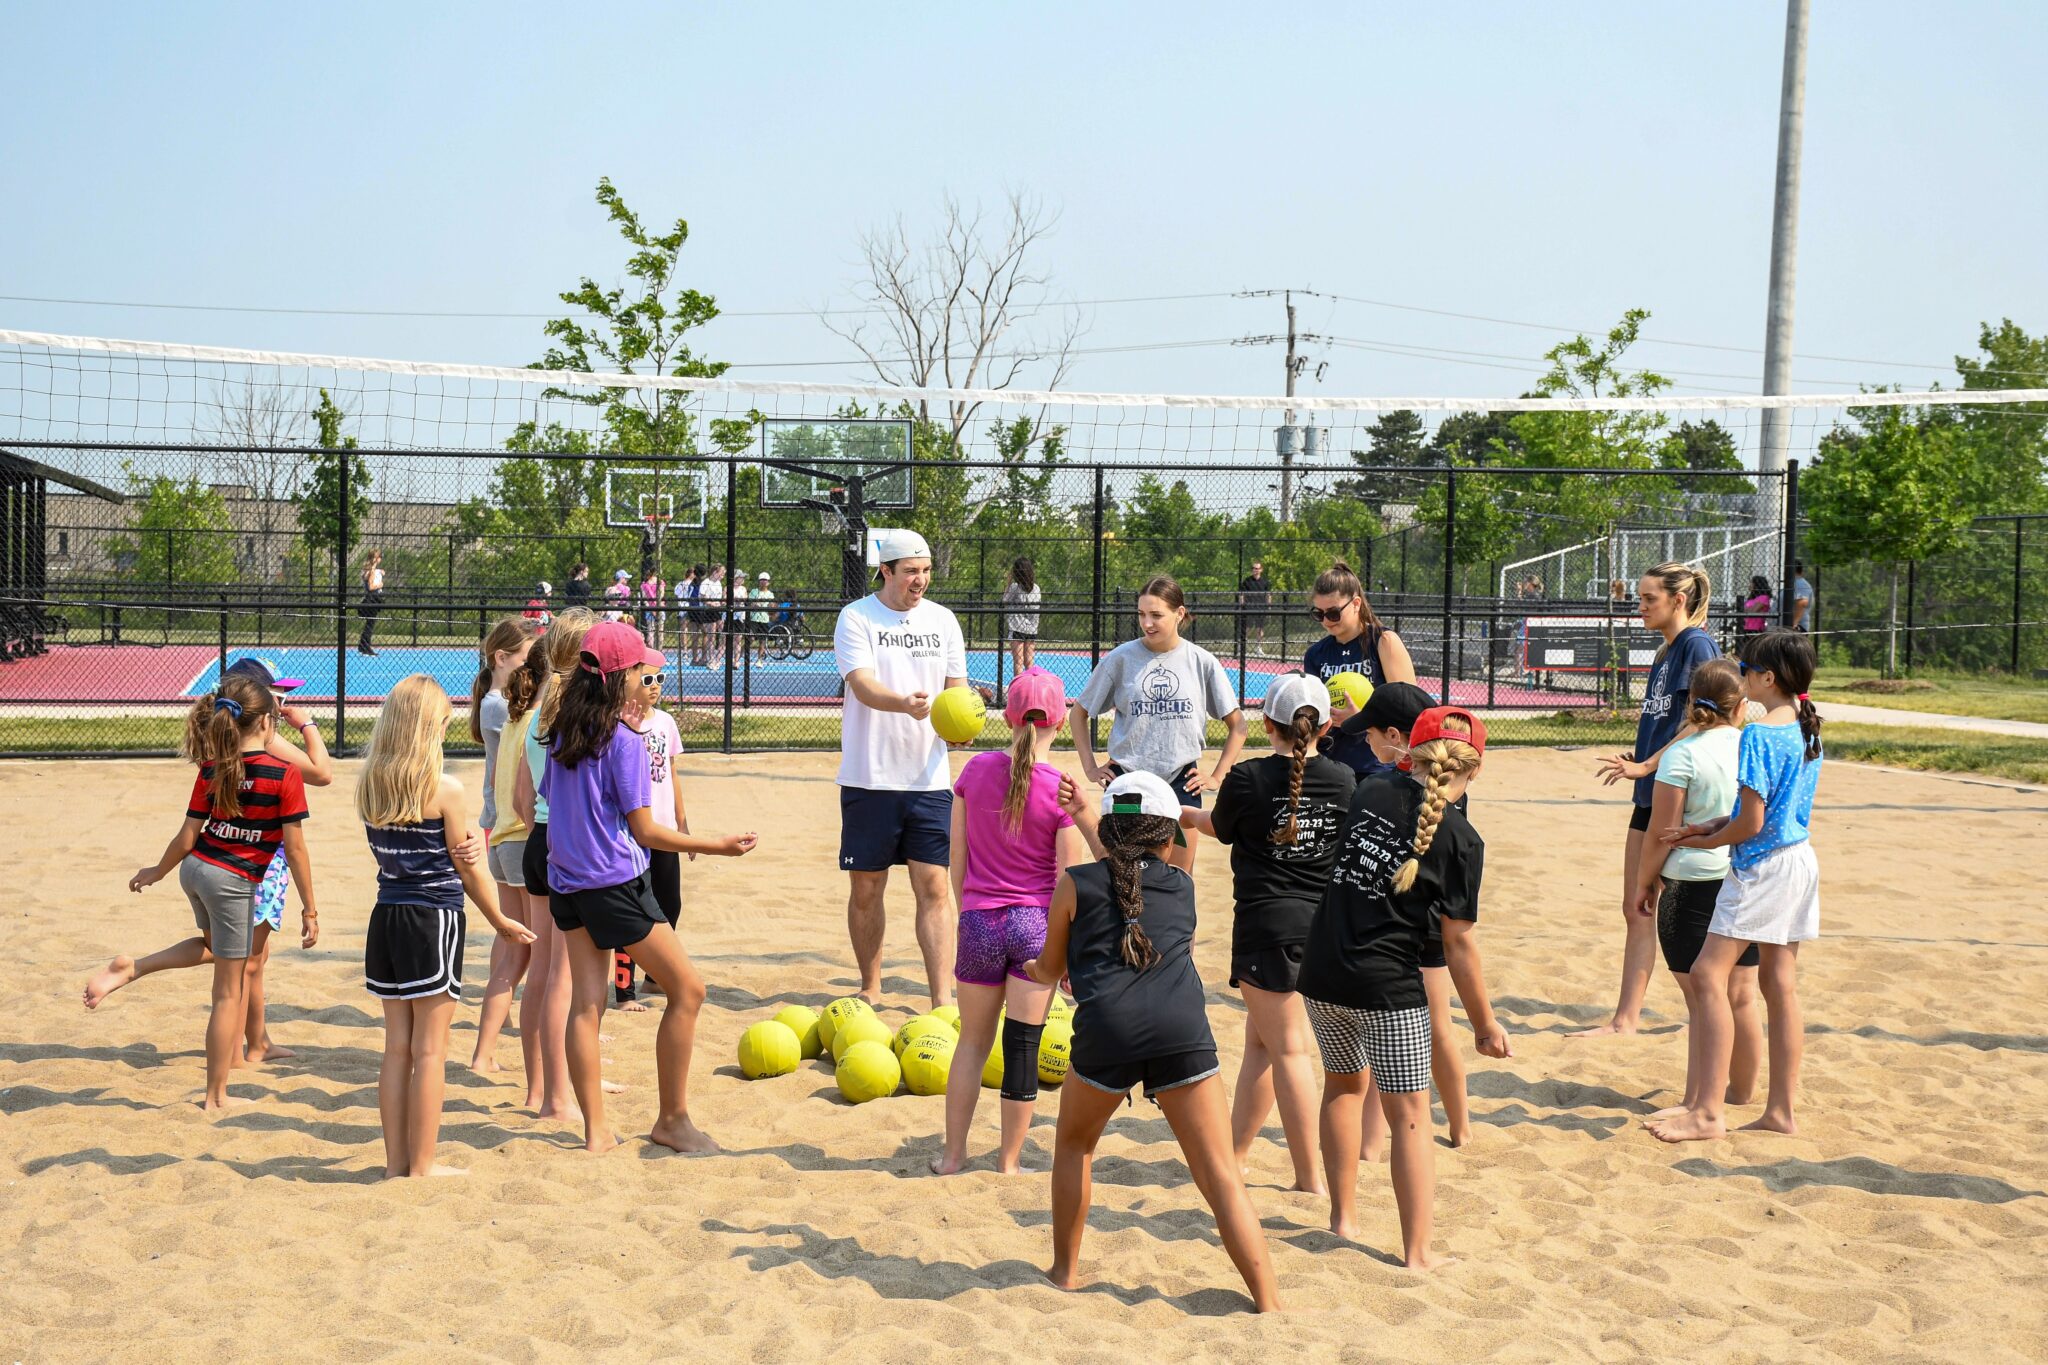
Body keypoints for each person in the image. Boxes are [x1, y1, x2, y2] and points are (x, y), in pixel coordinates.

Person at [1027, 771, 1280, 1313]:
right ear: (1169, 838)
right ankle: (1269, 1300)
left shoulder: (1074, 883)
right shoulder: (1183, 885)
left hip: (1108, 1031)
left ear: (1109, 832)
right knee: (1219, 1174)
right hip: (1179, 1029)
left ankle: (1065, 1272)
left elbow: (1049, 969)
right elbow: (1135, 891)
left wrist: (1043, 965)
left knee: (1075, 1147)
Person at [1298, 707, 1510, 1267]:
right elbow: (1458, 947)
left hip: (1322, 970)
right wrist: (1485, 1024)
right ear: (1476, 768)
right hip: (1388, 985)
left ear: (1407, 752)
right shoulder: (1463, 838)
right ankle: (1417, 1253)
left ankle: (1342, 1218)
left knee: (1342, 1089)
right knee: (1411, 1117)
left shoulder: (1369, 790)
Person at [541, 620, 758, 1154]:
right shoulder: (625, 739)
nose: (648, 677)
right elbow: (645, 830)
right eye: (642, 670)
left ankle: (596, 1132)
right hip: (612, 881)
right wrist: (713, 844)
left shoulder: (563, 730)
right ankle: (673, 1120)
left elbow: (551, 800)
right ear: (624, 677)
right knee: (688, 990)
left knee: (586, 1006)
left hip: (565, 880)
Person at [81, 656, 338, 1068]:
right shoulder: (264, 741)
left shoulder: (220, 743)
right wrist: (306, 724)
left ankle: (257, 1040)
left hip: (205, 862)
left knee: (243, 958)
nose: (286, 700)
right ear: (262, 710)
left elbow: (188, 833)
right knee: (236, 962)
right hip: (254, 866)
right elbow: (322, 773)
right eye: (279, 695)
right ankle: (144, 974)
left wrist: (159, 870)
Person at [1180, 673, 1354, 1194]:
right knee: (1262, 1043)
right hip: (1321, 930)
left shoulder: (1248, 777)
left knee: (1291, 1053)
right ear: (1326, 726)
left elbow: (1222, 828)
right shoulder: (1345, 779)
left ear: (1266, 723)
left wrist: (1188, 815)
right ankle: (1234, 1154)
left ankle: (1309, 1179)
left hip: (1268, 928)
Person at [1649, 630, 1823, 1143]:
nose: (1743, 678)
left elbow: (1750, 825)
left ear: (1768, 678)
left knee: (1707, 975)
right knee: (1779, 985)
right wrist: (1710, 826)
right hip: (1798, 859)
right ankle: (1780, 1111)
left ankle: (1707, 1112)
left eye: (1748, 670)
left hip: (1763, 867)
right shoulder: (1806, 726)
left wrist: (1703, 843)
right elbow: (1770, 812)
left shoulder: (1761, 733)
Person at [358, 675, 536, 1178]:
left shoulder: (372, 782)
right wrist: (500, 919)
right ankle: (424, 1166)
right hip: (432, 919)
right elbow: (469, 869)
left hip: (386, 917)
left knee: (396, 1050)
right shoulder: (446, 790)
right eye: (441, 725)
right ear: (426, 728)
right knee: (431, 1051)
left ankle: (396, 1164)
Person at [119, 673, 315, 1110]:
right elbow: (296, 849)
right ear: (266, 723)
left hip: (196, 870)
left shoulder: (213, 767)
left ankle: (136, 968)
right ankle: (215, 1096)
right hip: (233, 881)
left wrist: (159, 870)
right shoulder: (282, 774)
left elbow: (187, 835)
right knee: (227, 993)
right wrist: (311, 908)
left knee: (217, 955)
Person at [929, 667, 1090, 1177]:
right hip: (1034, 926)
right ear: (1060, 724)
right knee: (1022, 1046)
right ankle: (1009, 1162)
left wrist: (968, 909)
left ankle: (953, 1156)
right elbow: (1070, 882)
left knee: (971, 1044)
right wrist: (1065, 953)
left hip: (979, 920)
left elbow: (957, 860)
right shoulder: (1063, 790)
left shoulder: (974, 773)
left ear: (1006, 718)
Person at [1335, 680, 1476, 1152]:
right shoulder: (1431, 782)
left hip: (1420, 926)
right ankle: (1378, 1142)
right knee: (1407, 1038)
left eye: (1370, 733)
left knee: (1434, 1030)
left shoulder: (1404, 790)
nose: (1364, 741)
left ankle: (1459, 1127)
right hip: (1413, 922)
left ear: (1399, 737)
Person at [833, 529, 968, 1007]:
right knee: (867, 887)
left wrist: (961, 724)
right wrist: (903, 704)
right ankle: (871, 987)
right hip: (869, 776)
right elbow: (864, 685)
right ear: (885, 571)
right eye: (911, 571)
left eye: (926, 570)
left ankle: (942, 998)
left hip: (928, 779)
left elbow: (956, 693)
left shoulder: (944, 620)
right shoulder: (856, 618)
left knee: (934, 886)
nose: (921, 580)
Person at [1584, 562, 1718, 1039]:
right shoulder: (1666, 652)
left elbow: (1702, 720)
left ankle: (1705, 1014)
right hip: (1652, 790)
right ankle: (1627, 1019)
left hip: (1676, 796)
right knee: (1636, 905)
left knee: (1674, 912)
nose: (1639, 606)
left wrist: (1648, 764)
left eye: (1648, 599)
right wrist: (1641, 759)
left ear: (1677, 600)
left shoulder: (1696, 645)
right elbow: (1671, 722)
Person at [1628, 658, 1762, 1125]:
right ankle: (1740, 1090)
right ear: (1741, 706)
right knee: (1741, 993)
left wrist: (1645, 883)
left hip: (1692, 881)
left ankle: (1697, 1101)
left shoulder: (1681, 756)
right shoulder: (1752, 744)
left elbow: (1662, 833)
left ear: (1689, 702)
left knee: (1702, 999)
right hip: (1741, 876)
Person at [1069, 574, 1247, 875]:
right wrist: (1090, 767)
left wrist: (1216, 776)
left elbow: (1238, 725)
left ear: (1179, 614)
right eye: (1141, 614)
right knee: (1123, 877)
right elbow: (1078, 713)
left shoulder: (1201, 661)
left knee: (1177, 880)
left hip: (1181, 782)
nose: (1147, 623)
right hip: (1128, 782)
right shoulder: (1121, 659)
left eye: (1156, 615)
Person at [512, 607, 599, 1121]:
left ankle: (539, 1090)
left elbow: (523, 802)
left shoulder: (539, 717)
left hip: (539, 842)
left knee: (543, 973)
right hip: (568, 845)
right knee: (563, 980)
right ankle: (556, 1098)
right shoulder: (581, 719)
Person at [467, 616, 543, 1074]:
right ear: (503, 659)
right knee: (532, 953)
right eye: (528, 657)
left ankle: (488, 1046)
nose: (536, 666)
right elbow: (513, 776)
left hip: (501, 828)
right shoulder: (504, 708)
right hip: (512, 829)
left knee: (512, 946)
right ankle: (491, 1050)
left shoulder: (500, 705)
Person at [614, 656, 690, 1012]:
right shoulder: (619, 724)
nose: (655, 685)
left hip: (663, 830)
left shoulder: (666, 723)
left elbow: (672, 774)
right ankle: (625, 992)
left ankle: (654, 978)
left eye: (659, 678)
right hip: (632, 834)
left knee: (670, 903)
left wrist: (682, 820)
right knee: (631, 911)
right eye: (647, 679)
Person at [1303, 561, 1419, 779]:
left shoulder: (1383, 641)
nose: (1327, 621)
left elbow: (1411, 712)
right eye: (1319, 614)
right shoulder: (1315, 654)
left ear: (1356, 603)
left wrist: (1363, 719)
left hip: (1381, 766)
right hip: (1333, 766)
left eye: (1334, 613)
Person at [1003, 557, 1041, 676]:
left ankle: (1019, 690)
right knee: (1029, 662)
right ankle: (1030, 688)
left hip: (1017, 628)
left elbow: (1004, 601)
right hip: (1031, 628)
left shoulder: (1015, 587)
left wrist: (1008, 584)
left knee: (1018, 663)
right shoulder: (1036, 588)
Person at [1237, 559, 1273, 657]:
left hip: (1261, 609)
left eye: (1257, 568)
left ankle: (1258, 648)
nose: (1255, 570)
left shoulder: (1265, 582)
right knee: (1247, 628)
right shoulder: (1247, 581)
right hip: (1248, 608)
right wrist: (1242, 606)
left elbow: (1268, 595)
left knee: (1259, 629)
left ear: (1261, 569)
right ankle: (1242, 647)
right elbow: (1241, 595)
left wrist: (1269, 607)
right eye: (1253, 568)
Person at [358, 548, 385, 656]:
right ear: (375, 559)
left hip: (373, 599)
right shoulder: (371, 571)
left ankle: (363, 645)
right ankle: (365, 646)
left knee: (369, 623)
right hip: (372, 598)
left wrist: (380, 571)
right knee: (370, 624)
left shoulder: (371, 570)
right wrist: (380, 585)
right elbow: (371, 586)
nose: (380, 559)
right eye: (379, 557)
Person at [679, 564, 707, 666]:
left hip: (693, 610)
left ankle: (695, 658)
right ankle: (703, 658)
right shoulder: (704, 583)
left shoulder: (691, 584)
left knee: (695, 635)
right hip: (701, 611)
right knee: (705, 634)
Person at [699, 564, 727, 669]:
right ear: (715, 572)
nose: (722, 576)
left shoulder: (718, 583)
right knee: (711, 636)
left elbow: (719, 599)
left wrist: (720, 603)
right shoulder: (706, 583)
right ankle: (711, 659)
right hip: (708, 611)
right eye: (721, 574)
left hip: (718, 611)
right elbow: (702, 598)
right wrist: (712, 603)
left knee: (723, 634)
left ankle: (717, 659)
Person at [1741, 575, 1775, 648]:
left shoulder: (1764, 597)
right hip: (1746, 627)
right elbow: (1745, 610)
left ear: (1757, 585)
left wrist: (1746, 610)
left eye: (1751, 583)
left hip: (1756, 628)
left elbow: (1752, 611)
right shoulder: (1751, 598)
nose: (1749, 585)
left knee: (1754, 647)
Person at [750, 572, 774, 661]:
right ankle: (739, 656)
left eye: (765, 580)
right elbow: (752, 604)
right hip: (754, 619)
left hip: (764, 619)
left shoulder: (770, 594)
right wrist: (756, 604)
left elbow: (771, 606)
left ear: (768, 582)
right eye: (762, 580)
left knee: (762, 641)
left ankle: (759, 660)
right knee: (750, 639)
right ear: (759, 581)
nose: (763, 582)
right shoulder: (754, 591)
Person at [1791, 562, 1814, 633]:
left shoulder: (1800, 583)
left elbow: (1801, 603)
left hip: (1795, 629)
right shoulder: (1793, 583)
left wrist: (1793, 625)